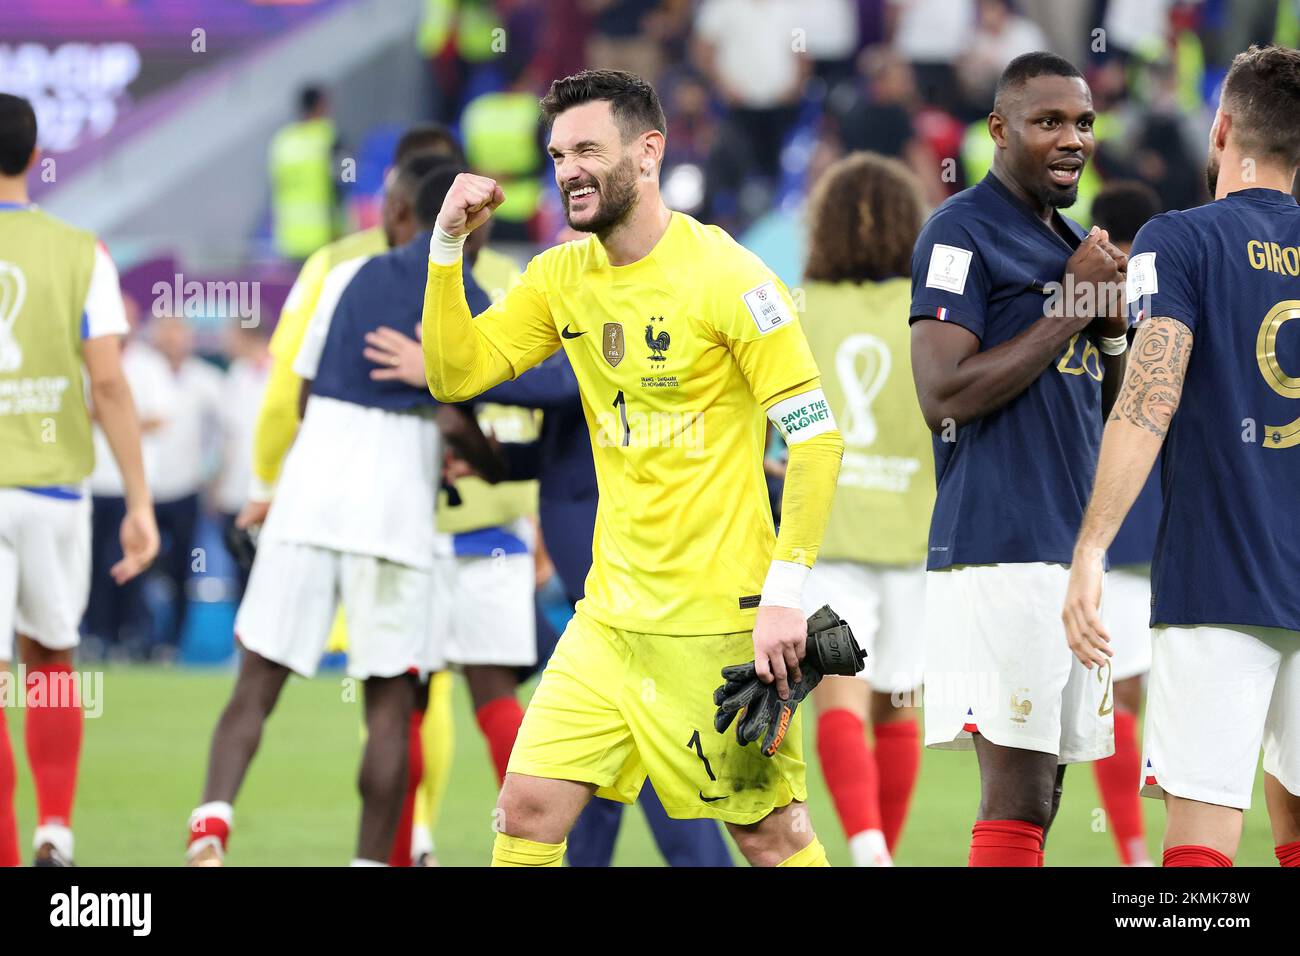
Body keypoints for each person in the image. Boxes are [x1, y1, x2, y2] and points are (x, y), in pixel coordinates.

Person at [423, 69, 844, 867]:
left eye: (588, 148)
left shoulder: (732, 279)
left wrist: (786, 598)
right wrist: (447, 249)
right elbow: (456, 373)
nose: (569, 169)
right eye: (557, 154)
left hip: (717, 622)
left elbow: (816, 439)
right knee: (527, 809)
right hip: (608, 620)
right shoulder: (559, 278)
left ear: (647, 153)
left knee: (769, 834)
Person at [185, 160, 495, 867]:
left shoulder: (342, 276)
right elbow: (460, 417)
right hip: (394, 500)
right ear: (465, 223)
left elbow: (295, 394)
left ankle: (211, 822)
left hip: (314, 478)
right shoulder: (470, 296)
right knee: (390, 704)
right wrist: (479, 453)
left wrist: (276, 478)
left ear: (404, 214)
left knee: (257, 680)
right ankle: (367, 861)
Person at [1063, 44, 1300, 869]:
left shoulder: (1179, 237)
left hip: (1218, 581)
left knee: (1201, 855)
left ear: (1224, 128)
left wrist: (1091, 547)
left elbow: (1149, 394)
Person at [908, 52, 1128, 867]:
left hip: (1065, 551)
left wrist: (1107, 332)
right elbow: (944, 393)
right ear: (998, 130)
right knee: (1020, 794)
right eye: (1049, 122)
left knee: (1048, 796)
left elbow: (1099, 412)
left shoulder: (1072, 241)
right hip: (1000, 544)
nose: (1072, 139)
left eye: (1082, 123)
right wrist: (1073, 306)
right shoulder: (959, 232)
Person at [0, 93, 159, 867]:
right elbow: (110, 386)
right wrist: (137, 499)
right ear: (36, 156)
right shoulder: (81, 251)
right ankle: (55, 831)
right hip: (54, 494)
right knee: (52, 658)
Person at [799, 152, 934, 866]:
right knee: (898, 710)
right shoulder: (931, 311)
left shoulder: (803, 307)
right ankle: (884, 852)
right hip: (917, 538)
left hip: (831, 534)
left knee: (840, 706)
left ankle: (866, 846)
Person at [1086, 180, 1163, 867]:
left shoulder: (1090, 298)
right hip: (1170, 524)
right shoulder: (1177, 292)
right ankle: (1152, 852)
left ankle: (1138, 852)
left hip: (1109, 526)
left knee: (1118, 701)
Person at [146, 314, 224, 658]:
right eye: (169, 332)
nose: (176, 339)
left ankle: (171, 643)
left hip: (185, 488)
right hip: (143, 490)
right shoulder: (138, 371)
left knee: (183, 568)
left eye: (181, 332)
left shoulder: (206, 380)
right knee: (136, 567)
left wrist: (213, 475)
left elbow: (226, 431)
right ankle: (133, 638)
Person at [268, 84, 342, 261]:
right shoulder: (330, 137)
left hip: (289, 238)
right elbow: (347, 179)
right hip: (324, 236)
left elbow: (274, 184)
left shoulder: (282, 141)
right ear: (320, 105)